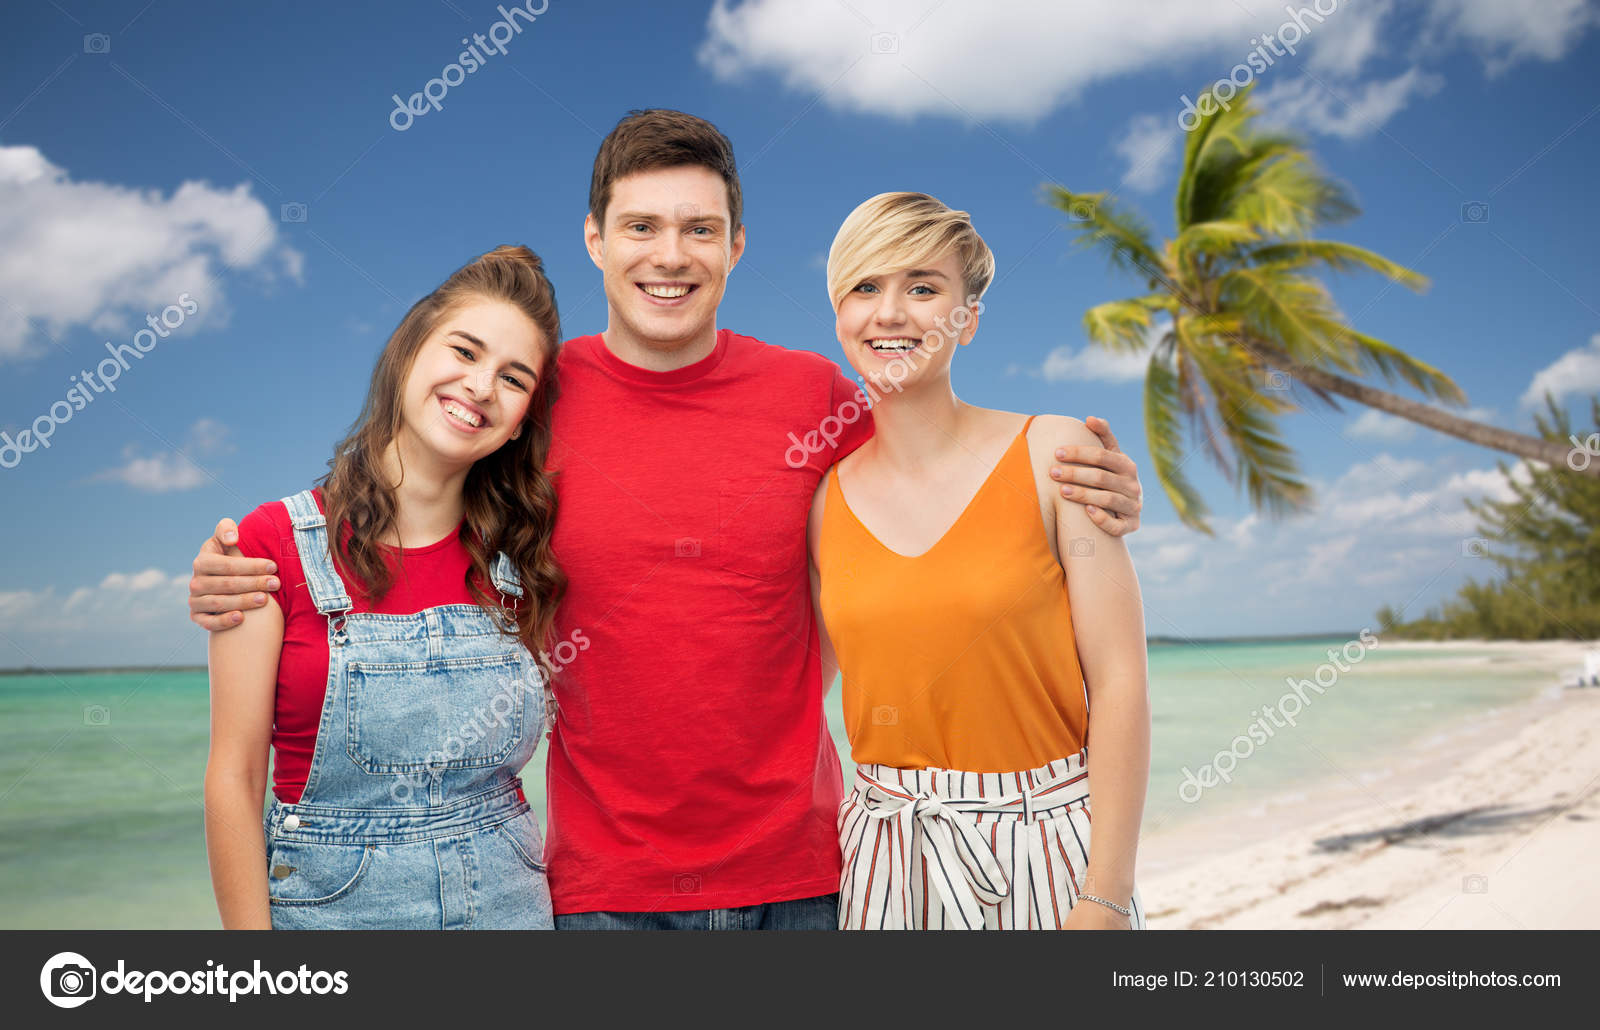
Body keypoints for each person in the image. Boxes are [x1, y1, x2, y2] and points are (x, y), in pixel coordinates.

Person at [190, 110, 1147, 930]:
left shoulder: (816, 397)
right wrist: (253, 560)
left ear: (736, 247)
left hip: (806, 880)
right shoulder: (533, 401)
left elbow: (937, 483)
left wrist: (1089, 488)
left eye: (701, 229)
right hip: (599, 891)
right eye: (641, 225)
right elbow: (419, 507)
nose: (670, 255)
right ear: (597, 240)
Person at [811, 192, 1150, 929]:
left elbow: (1120, 681)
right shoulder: (821, 500)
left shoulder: (1056, 454)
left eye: (923, 288)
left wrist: (1106, 895)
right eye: (865, 286)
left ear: (967, 318)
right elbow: (798, 687)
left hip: (1049, 850)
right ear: (839, 314)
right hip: (880, 856)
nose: (891, 313)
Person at [203, 245, 565, 929]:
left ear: (524, 419)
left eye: (514, 379)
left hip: (510, 909)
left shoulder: (526, 555)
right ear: (409, 350)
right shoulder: (271, 544)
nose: (482, 386)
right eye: (464, 351)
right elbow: (234, 777)